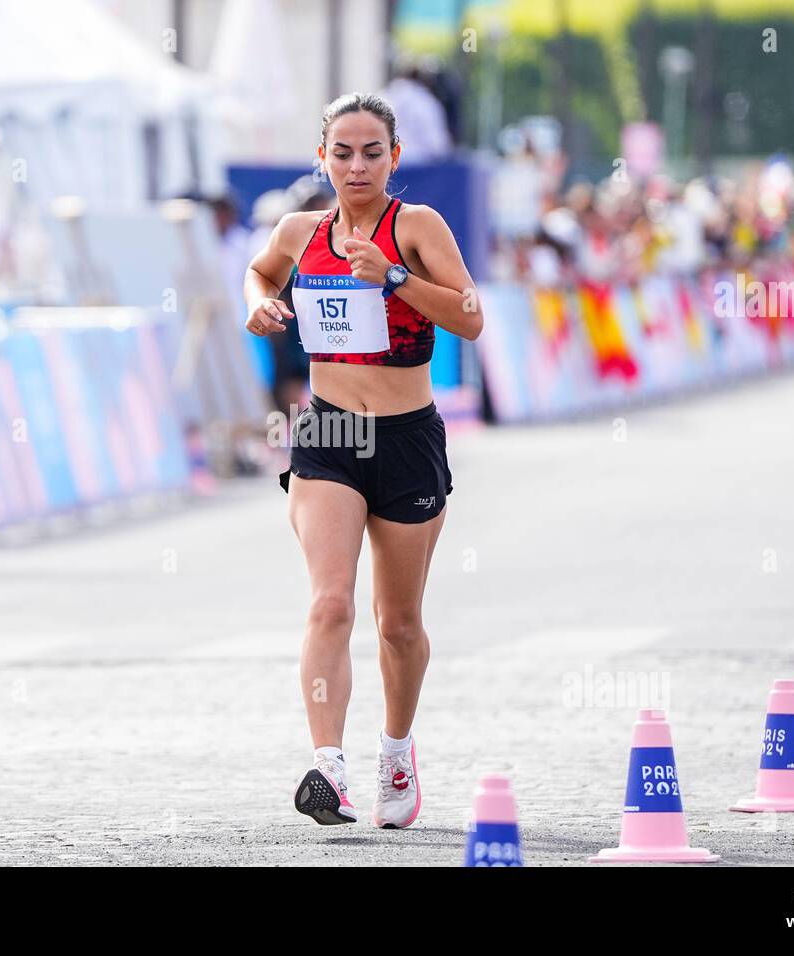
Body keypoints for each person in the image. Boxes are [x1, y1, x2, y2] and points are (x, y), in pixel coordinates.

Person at [243, 92, 483, 828]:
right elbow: (258, 272)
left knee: (397, 624)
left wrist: (396, 279)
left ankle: (397, 748)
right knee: (330, 602)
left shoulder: (416, 227)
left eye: (370, 152)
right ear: (321, 157)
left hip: (407, 438)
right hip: (330, 436)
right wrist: (257, 302)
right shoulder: (297, 231)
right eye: (341, 152)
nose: (355, 165)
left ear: (394, 158)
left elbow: (471, 317)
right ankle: (329, 769)